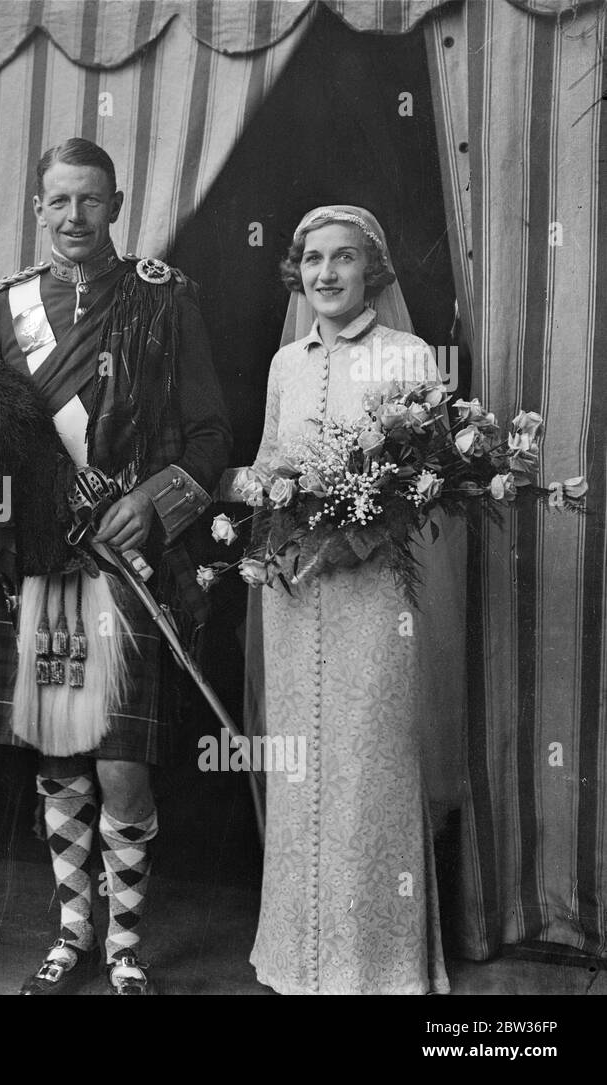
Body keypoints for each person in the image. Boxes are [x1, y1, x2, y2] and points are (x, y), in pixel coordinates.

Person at [0, 138, 232, 995]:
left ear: (116, 205)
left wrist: (152, 500)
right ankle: (73, 932)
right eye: (57, 203)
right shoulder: (6, 310)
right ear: (37, 209)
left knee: (121, 762)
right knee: (61, 759)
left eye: (90, 201)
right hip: (48, 561)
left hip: (130, 567)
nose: (73, 217)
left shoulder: (166, 300)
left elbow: (212, 435)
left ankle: (125, 948)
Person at [245, 204, 457, 994]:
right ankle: (298, 958)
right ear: (296, 271)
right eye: (311, 259)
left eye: (344, 258)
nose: (326, 273)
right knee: (300, 768)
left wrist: (351, 538)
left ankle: (377, 966)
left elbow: (422, 489)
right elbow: (267, 466)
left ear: (376, 270)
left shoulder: (408, 357)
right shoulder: (284, 364)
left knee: (369, 765)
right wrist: (268, 532)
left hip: (375, 596)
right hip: (293, 594)